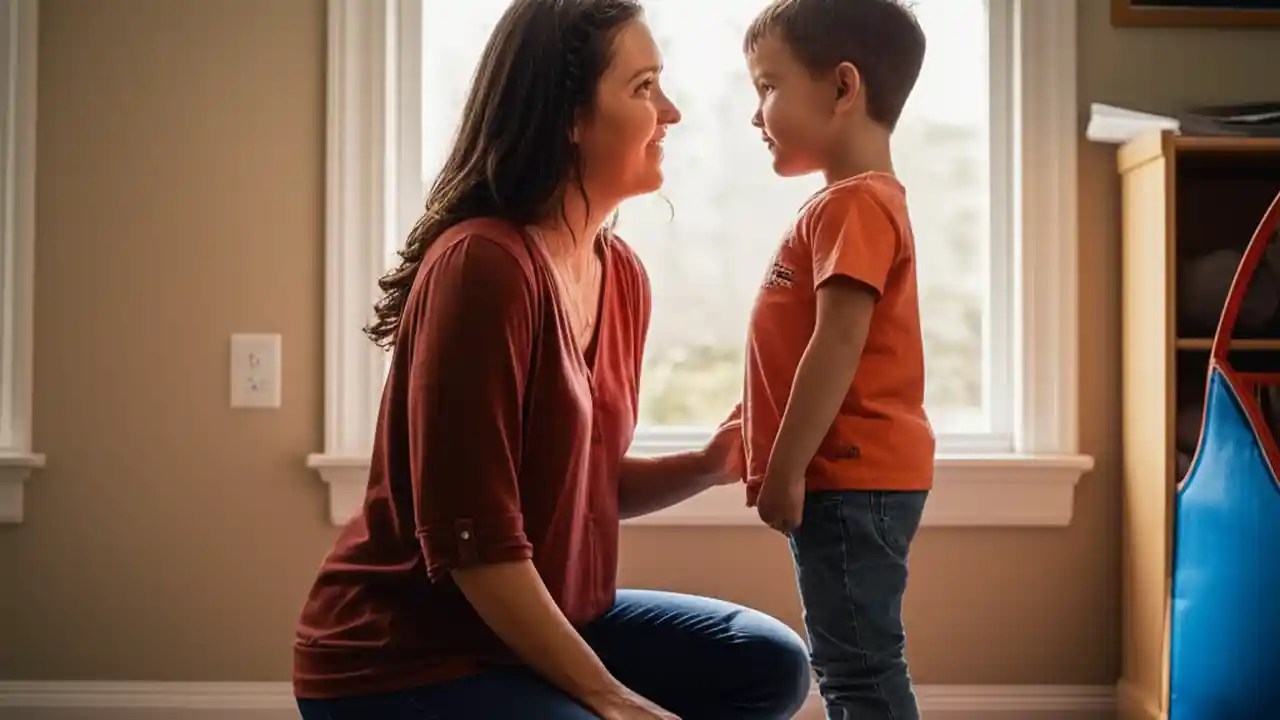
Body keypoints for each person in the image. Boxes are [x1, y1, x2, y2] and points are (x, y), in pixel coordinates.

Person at [291, 1, 812, 719]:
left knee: (768, 664)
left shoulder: (620, 273)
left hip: (546, 621)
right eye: (643, 88)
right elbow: (476, 545)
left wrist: (708, 464)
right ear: (568, 116)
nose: (673, 112)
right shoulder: (485, 265)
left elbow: (577, 485)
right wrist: (613, 698)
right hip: (407, 657)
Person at [739, 1, 933, 718]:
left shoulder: (852, 206)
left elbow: (839, 341)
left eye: (767, 86)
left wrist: (786, 465)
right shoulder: (851, 205)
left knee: (857, 668)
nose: (756, 114)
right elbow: (800, 348)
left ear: (842, 88)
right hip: (852, 475)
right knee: (852, 659)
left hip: (848, 476)